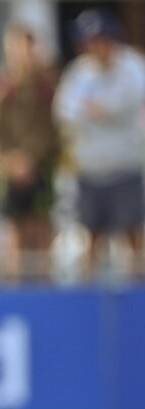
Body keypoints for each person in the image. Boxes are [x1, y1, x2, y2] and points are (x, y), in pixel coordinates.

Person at [54, 9, 145, 281]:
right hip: (89, 170)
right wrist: (95, 112)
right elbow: (63, 111)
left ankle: (137, 292)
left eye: (96, 40)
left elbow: (124, 103)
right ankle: (88, 293)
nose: (91, 47)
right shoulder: (78, 71)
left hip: (124, 167)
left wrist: (97, 111)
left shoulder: (132, 66)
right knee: (90, 237)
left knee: (132, 235)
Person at [0, 23, 61, 283]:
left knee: (41, 227)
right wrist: (11, 161)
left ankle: (43, 283)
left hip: (41, 166)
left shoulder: (47, 86)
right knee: (15, 229)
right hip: (9, 169)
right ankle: (17, 285)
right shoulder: (1, 87)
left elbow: (55, 129)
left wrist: (31, 159)